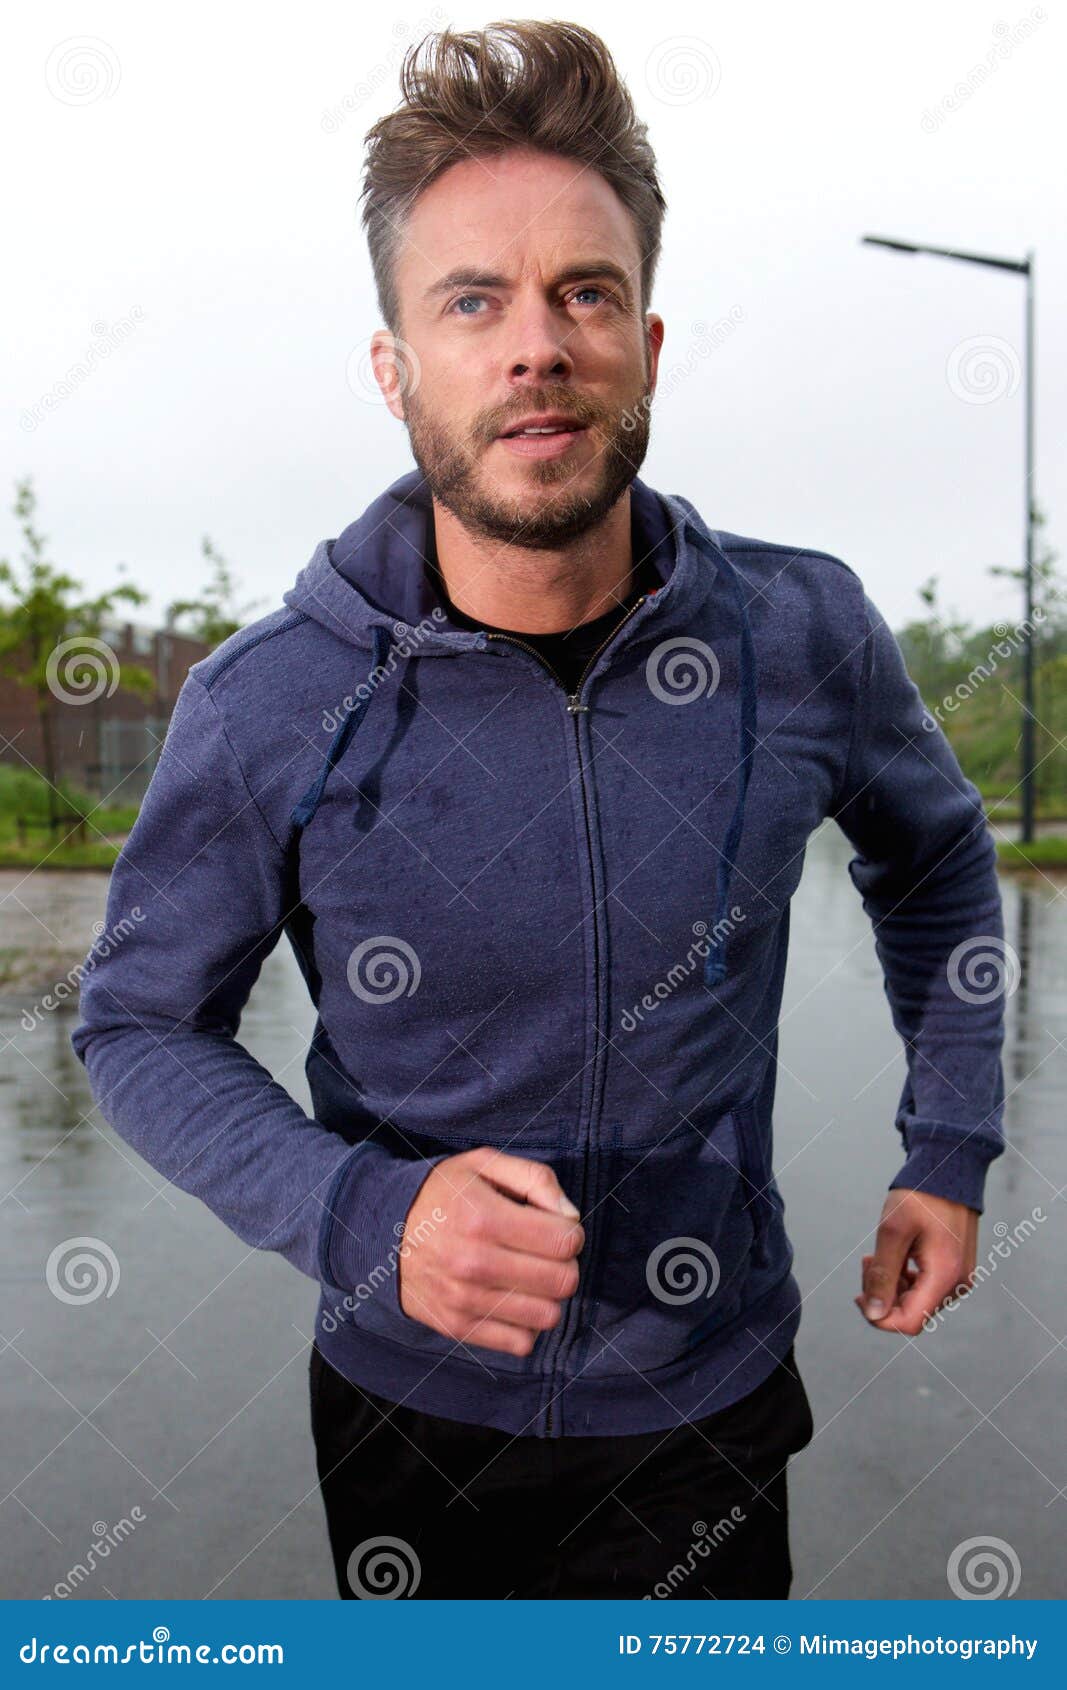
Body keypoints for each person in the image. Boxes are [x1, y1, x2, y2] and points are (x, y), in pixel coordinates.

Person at [71, 20, 1006, 1600]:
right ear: (397, 368)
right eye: (472, 301)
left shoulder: (805, 630)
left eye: (583, 292)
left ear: (646, 338)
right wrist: (358, 1208)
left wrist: (952, 1142)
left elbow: (938, 859)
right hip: (408, 1422)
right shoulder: (265, 698)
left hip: (706, 1409)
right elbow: (137, 1023)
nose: (536, 345)